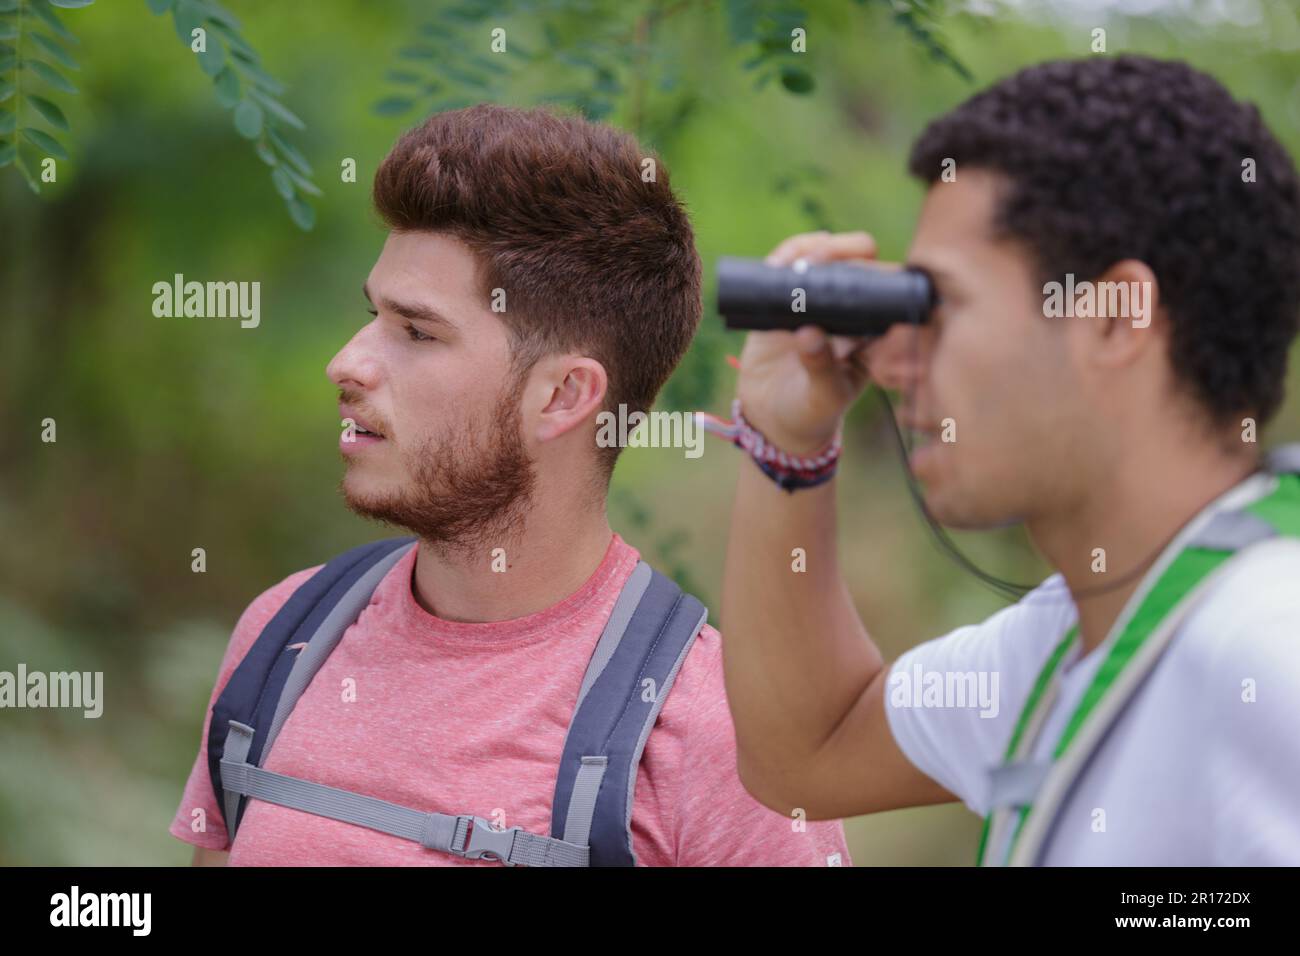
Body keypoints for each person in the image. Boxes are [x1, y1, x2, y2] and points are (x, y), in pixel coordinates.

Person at [170, 104, 850, 867]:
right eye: (373, 315)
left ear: (563, 396)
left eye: (417, 332)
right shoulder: (286, 634)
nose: (347, 362)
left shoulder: (714, 735)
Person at [719, 55, 1300, 865]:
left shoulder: (1265, 645)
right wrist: (786, 442)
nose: (890, 363)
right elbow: (806, 753)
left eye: (941, 306)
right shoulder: (1073, 638)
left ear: (1115, 320)